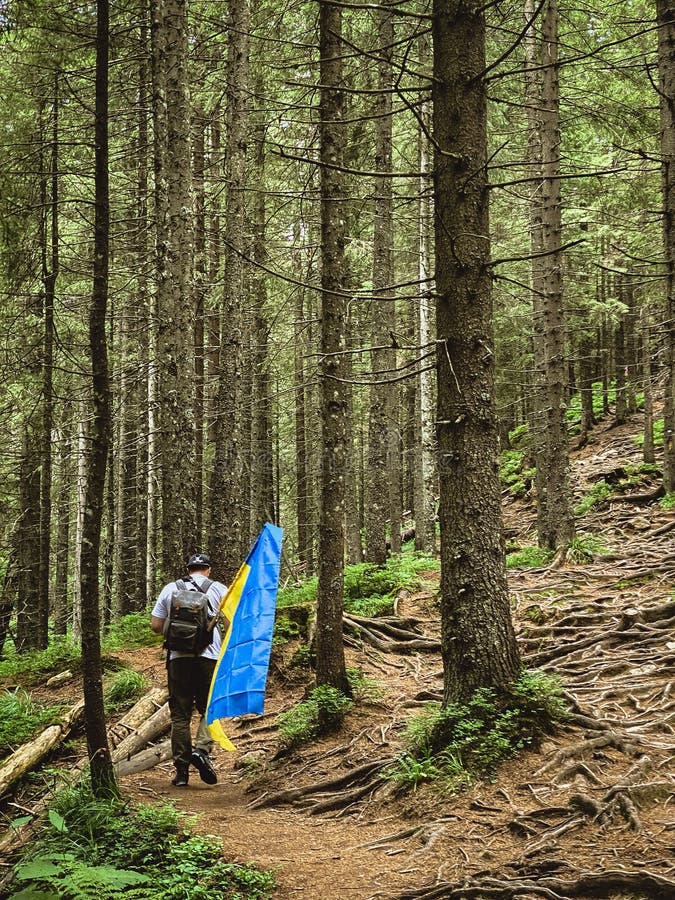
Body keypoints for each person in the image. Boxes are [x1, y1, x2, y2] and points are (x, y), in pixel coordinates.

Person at [151, 552, 226, 788]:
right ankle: (202, 751)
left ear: (188, 568)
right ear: (208, 569)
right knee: (210, 708)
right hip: (208, 657)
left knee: (181, 715)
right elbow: (233, 621)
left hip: (177, 659)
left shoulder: (170, 588)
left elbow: (155, 625)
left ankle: (181, 772)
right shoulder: (219, 589)